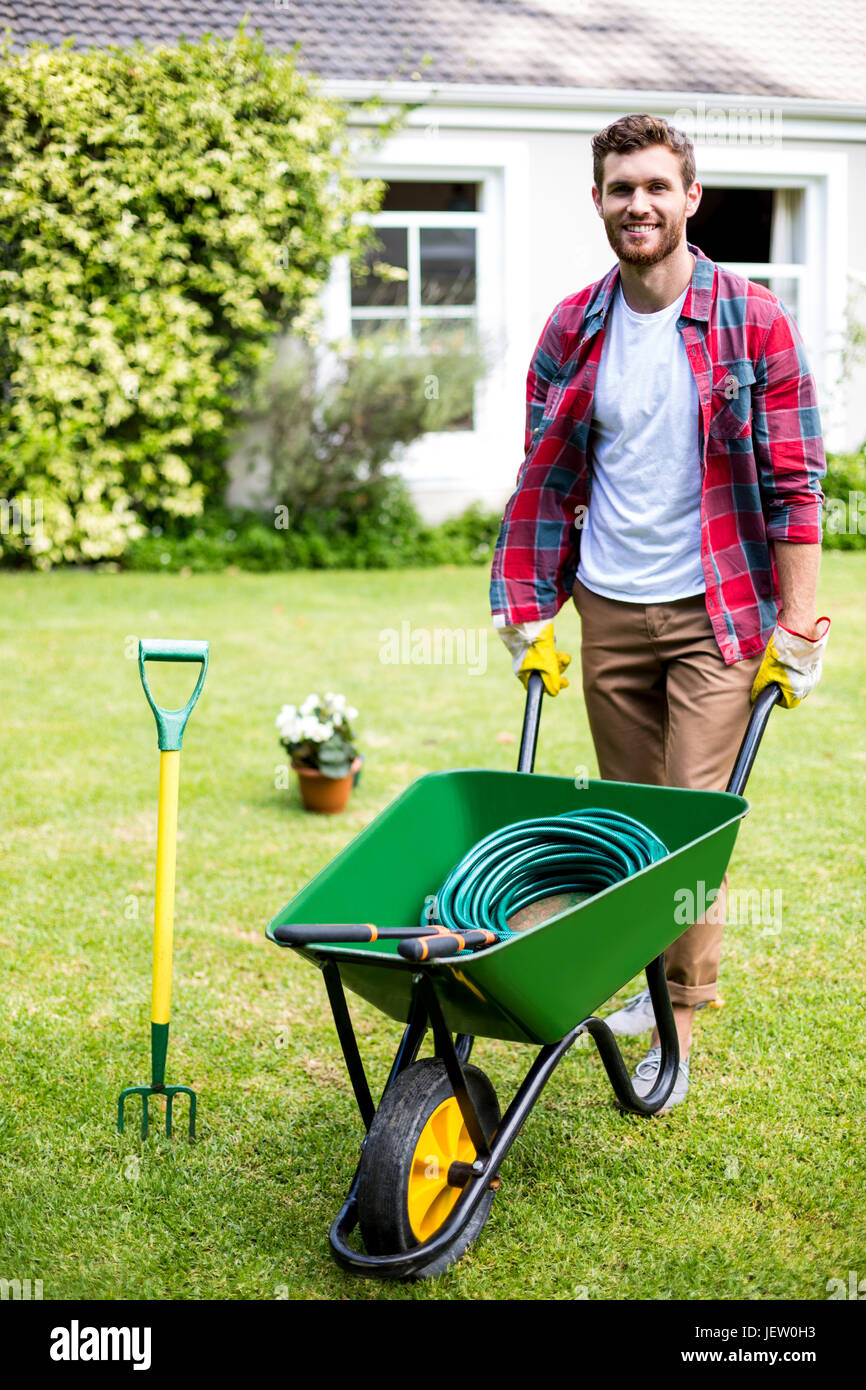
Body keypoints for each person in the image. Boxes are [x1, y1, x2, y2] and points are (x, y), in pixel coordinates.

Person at [490, 113, 830, 1111]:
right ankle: (638, 983)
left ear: (688, 198)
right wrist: (530, 606)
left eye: (653, 186)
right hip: (607, 604)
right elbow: (546, 477)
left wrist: (797, 622)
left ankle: (677, 1014)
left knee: (686, 823)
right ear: (596, 200)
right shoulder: (571, 326)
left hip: (716, 611)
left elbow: (795, 483)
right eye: (616, 187)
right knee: (628, 820)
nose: (635, 203)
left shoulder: (751, 318)